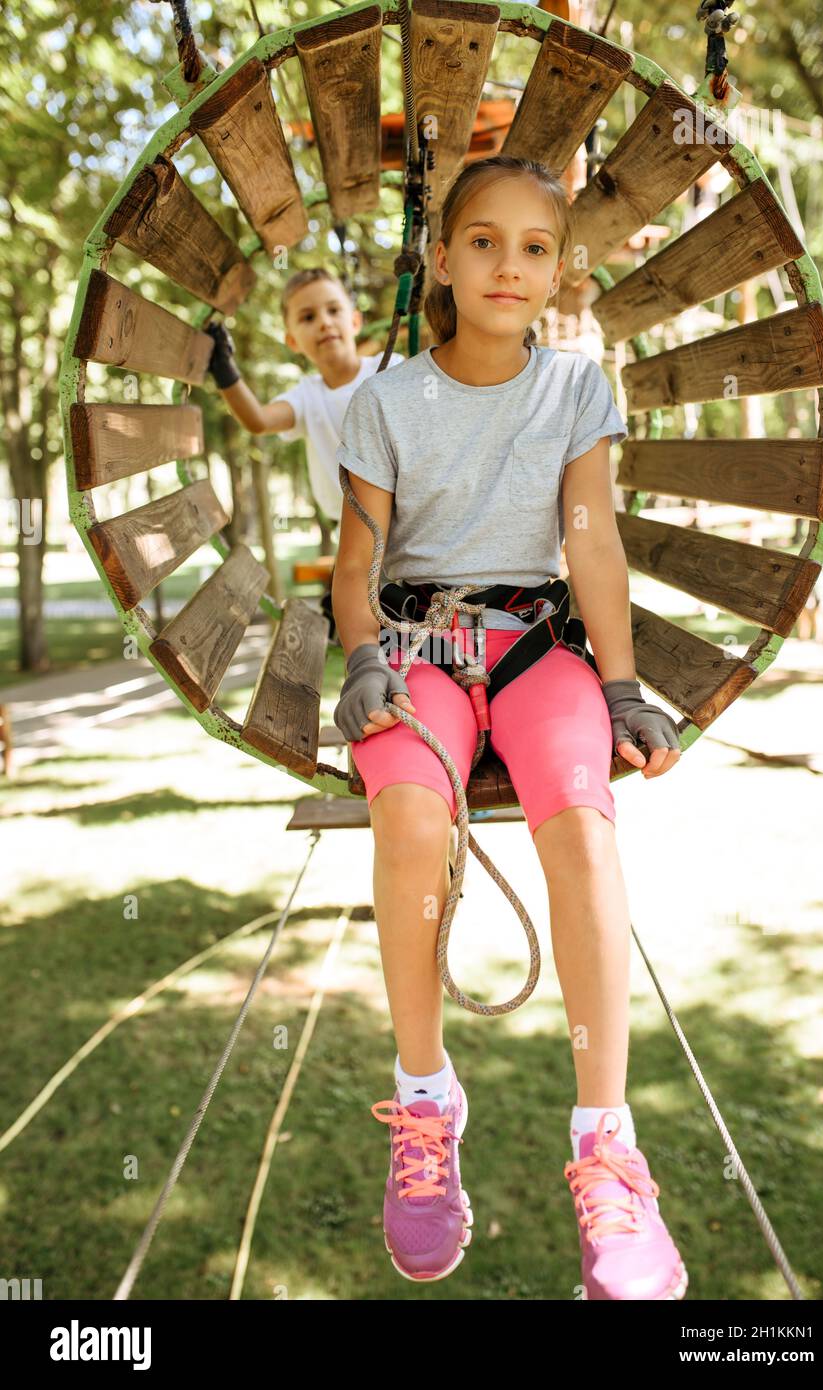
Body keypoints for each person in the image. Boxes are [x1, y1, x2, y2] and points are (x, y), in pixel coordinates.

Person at [331, 153, 684, 1298]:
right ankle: (427, 1105)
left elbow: (589, 540)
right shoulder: (383, 401)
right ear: (440, 258)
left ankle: (607, 1144)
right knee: (409, 813)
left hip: (537, 650)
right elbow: (358, 563)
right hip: (421, 650)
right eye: (483, 240)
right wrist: (364, 656)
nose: (509, 265)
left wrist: (621, 685)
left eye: (537, 246)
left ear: (559, 270)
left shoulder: (577, 390)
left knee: (582, 825)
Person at [205, 268, 404, 639]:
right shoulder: (306, 396)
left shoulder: (390, 370)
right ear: (292, 340)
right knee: (367, 633)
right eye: (308, 317)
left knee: (399, 616)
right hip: (352, 533)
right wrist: (225, 371)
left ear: (355, 320)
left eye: (333, 311)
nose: (324, 323)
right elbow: (259, 420)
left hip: (406, 522)